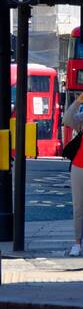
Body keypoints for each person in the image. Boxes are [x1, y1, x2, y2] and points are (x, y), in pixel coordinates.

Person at [63, 91, 83, 257]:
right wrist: (78, 101)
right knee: (78, 207)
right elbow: (68, 119)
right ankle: (77, 242)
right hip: (79, 166)